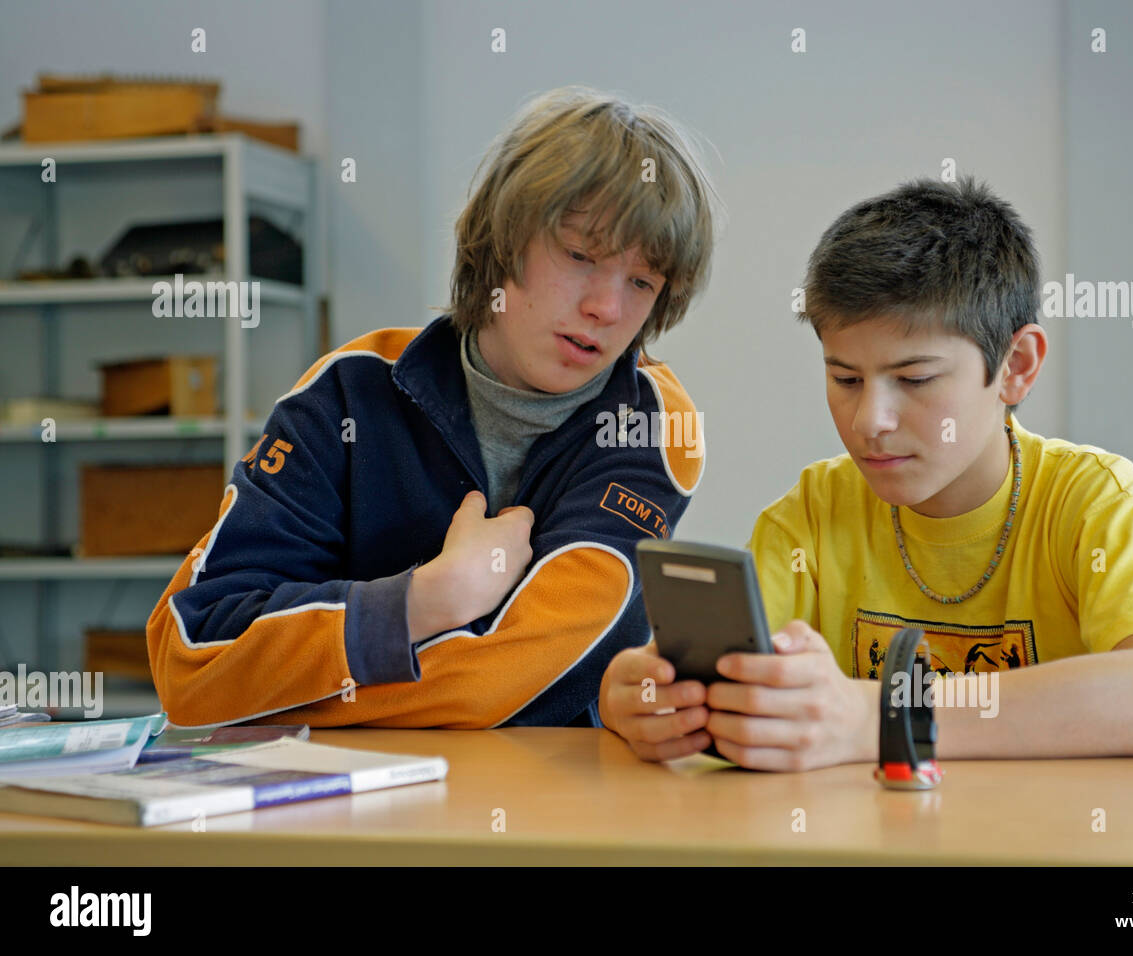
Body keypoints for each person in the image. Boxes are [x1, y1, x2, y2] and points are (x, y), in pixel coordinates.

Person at [599, 176, 1133, 770]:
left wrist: (879, 717)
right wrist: (640, 699)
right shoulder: (817, 513)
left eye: (915, 379)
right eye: (845, 378)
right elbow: (715, 680)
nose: (870, 419)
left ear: (1016, 366)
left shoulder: (1096, 505)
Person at [147, 86, 718, 729]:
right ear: (502, 240)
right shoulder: (348, 392)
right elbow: (190, 661)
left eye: (642, 281)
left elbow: (497, 683)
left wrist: (284, 692)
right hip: (337, 810)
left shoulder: (651, 425)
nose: (607, 309)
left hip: (552, 809)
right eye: (581, 255)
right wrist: (426, 599)